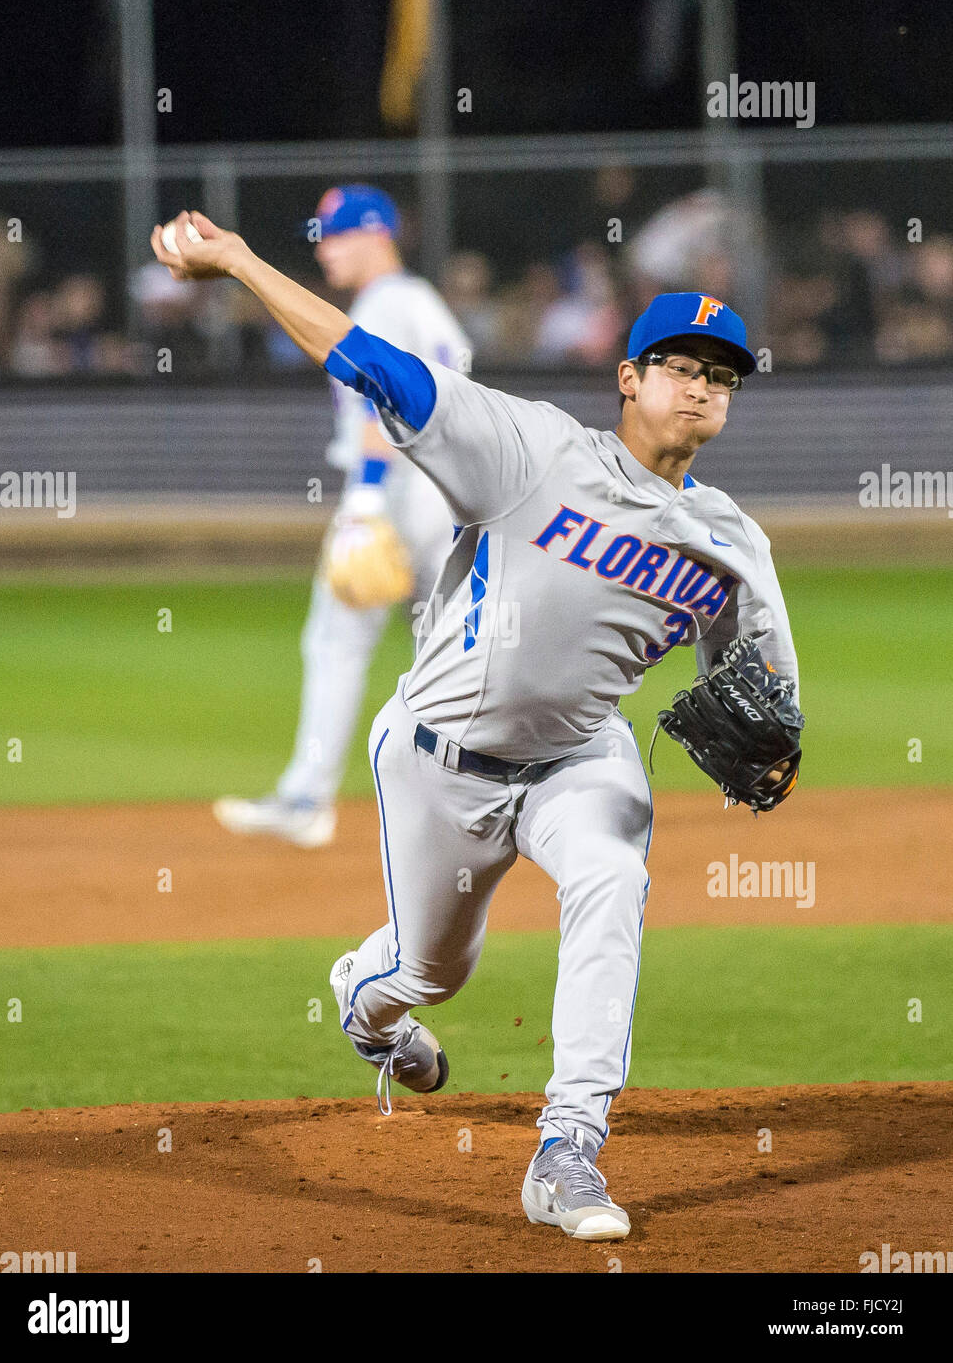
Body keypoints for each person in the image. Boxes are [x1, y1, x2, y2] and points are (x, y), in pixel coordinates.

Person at [152, 213, 801, 1242]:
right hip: (436, 763)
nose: (701, 385)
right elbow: (371, 364)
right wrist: (233, 260)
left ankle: (568, 1149)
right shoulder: (529, 448)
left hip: (580, 758)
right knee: (429, 972)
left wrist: (775, 747)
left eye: (721, 374)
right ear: (627, 379)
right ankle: (369, 1005)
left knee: (612, 877)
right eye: (678, 365)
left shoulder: (731, 545)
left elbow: (760, 691)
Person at [213, 186, 472, 847]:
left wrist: (364, 499)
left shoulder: (385, 303)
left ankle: (306, 798)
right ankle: (473, 801)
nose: (323, 248)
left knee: (336, 641)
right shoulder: (425, 303)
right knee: (449, 653)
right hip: (457, 494)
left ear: (374, 234)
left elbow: (379, 404)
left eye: (333, 234)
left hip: (397, 491)